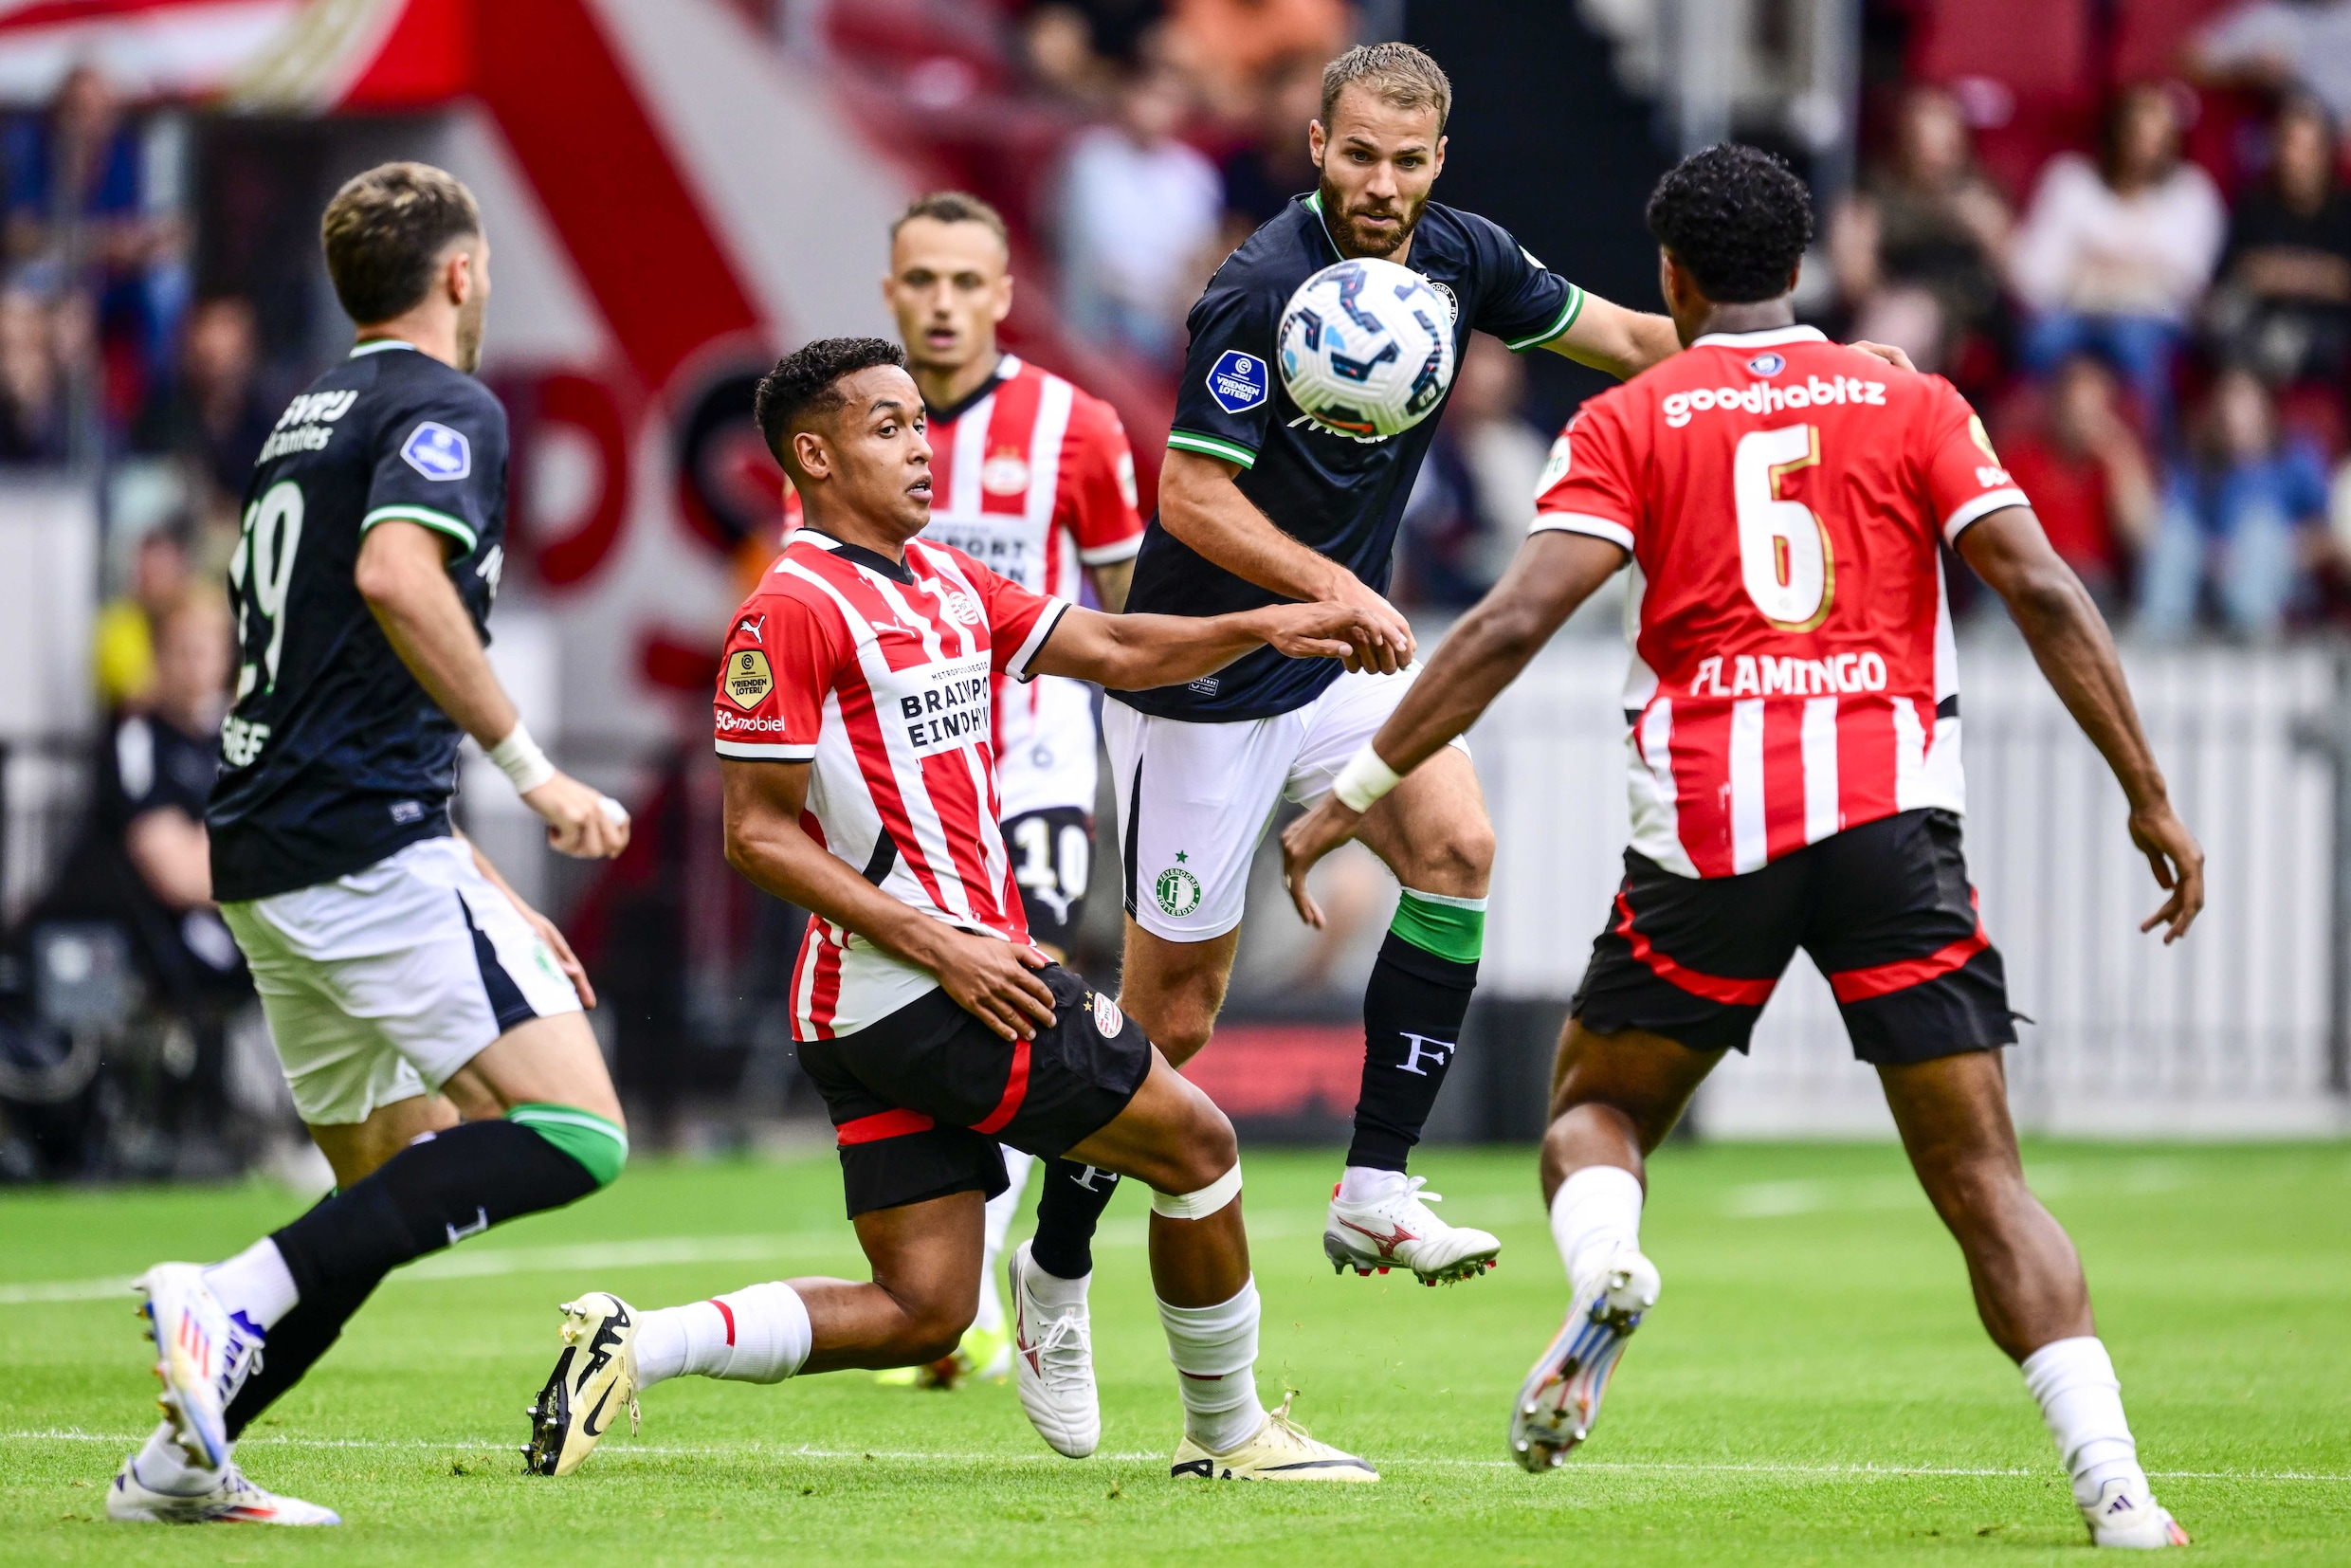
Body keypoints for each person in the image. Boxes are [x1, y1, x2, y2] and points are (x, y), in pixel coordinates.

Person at [1282, 143, 2204, 1550]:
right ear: (1804, 259)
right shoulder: (1913, 397)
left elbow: (1515, 622)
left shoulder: (1633, 419)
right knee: (1983, 1180)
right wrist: (2146, 790)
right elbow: (2045, 587)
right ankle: (2118, 1487)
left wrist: (1360, 784)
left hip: (1712, 836)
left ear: (1672, 276)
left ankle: (1608, 1267)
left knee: (1594, 1114)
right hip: (1894, 829)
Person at [524, 336, 1378, 1485]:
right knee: (1198, 1143)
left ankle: (636, 1341)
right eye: (887, 428)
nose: (923, 449)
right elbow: (756, 833)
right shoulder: (790, 609)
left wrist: (1265, 624)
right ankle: (1228, 1434)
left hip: (880, 1002)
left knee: (923, 1306)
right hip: (927, 984)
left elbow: (1118, 646)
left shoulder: (945, 581)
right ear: (813, 457)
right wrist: (941, 945)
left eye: (920, 424)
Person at [105, 163, 634, 1528]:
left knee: (395, 1174)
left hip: (278, 844)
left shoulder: (303, 414)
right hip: (358, 845)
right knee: (577, 1131)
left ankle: (178, 1466)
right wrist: (533, 772)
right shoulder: (447, 406)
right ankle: (228, 1298)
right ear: (462, 274)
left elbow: (347, 672)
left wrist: (483, 876)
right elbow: (396, 578)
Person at [871, 190, 1147, 1390]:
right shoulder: (843, 421)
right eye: (920, 280)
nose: (941, 304)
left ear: (1003, 294)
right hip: (896, 779)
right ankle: (953, 1287)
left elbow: (1124, 611)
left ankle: (974, 1296)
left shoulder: (1074, 428)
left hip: (1028, 761)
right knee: (930, 1016)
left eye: (963, 282)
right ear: (889, 291)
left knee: (1014, 1000)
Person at [2011, 83, 2226, 427]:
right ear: (2116, 131)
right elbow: (2033, 273)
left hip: (2150, 319)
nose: (2148, 146)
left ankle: (2153, 458)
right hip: (2072, 310)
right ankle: (2023, 461)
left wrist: (2096, 261)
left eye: (2160, 135)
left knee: (2135, 345)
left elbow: (2189, 279)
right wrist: (2140, 263)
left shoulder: (2192, 193)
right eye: (2138, 132)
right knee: (2043, 340)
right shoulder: (2069, 181)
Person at [2140, 366, 2331, 639]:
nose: (2233, 415)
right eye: (2226, 405)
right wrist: (2215, 556)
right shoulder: (2201, 466)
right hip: (2211, 576)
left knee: (2260, 529)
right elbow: (2173, 525)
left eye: (2243, 404)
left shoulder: (2295, 458)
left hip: (2282, 575)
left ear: (2264, 409)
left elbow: (2327, 535)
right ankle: (2158, 634)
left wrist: (2287, 549)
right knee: (2174, 535)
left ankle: (2252, 636)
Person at [1056, 56, 1223, 364]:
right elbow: (1092, 255)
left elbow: (1197, 258)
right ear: (1128, 95)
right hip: (1099, 309)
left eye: (1169, 100)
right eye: (1149, 95)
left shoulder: (1197, 174)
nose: (1155, 110)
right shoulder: (1089, 156)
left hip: (1166, 316)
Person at [1996, 355, 2158, 611]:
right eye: (2074, 409)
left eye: (2092, 412)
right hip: (2029, 577)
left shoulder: (2117, 461)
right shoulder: (2021, 456)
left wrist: (2120, 457)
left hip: (2093, 584)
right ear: (2055, 406)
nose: (2081, 421)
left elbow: (2141, 536)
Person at [2211, 96, 2351, 385]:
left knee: (2285, 342)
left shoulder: (2345, 212)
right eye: (2289, 145)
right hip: (2256, 320)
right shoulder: (2254, 204)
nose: (2295, 158)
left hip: (2323, 329)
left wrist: (2286, 273)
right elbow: (2232, 272)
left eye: (2307, 149)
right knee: (2220, 320)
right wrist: (2320, 275)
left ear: (2326, 154)